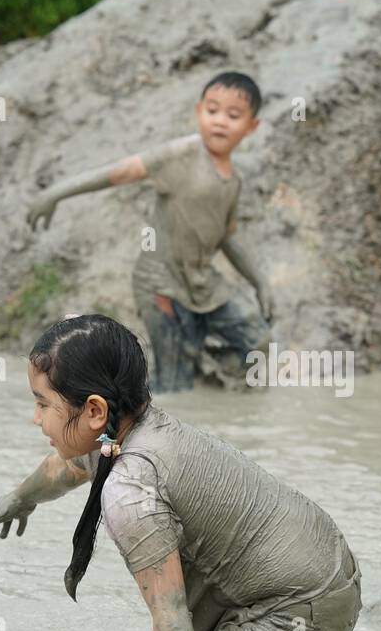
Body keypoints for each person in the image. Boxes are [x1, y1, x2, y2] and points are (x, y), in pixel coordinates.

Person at [0, 315, 361, 631]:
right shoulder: (126, 429)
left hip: (303, 602)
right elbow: (68, 468)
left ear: (95, 411)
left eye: (41, 403)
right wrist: (21, 497)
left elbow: (169, 610)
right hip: (281, 565)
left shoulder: (131, 487)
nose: (34, 418)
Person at [26, 72, 273, 393]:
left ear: (252, 126)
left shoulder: (234, 179)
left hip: (202, 284)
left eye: (233, 115)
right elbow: (119, 173)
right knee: (175, 385)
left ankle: (228, 404)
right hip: (161, 284)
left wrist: (260, 282)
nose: (220, 121)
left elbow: (226, 238)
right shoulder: (180, 154)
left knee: (259, 340)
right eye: (212, 111)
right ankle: (149, 423)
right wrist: (55, 193)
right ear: (199, 111)